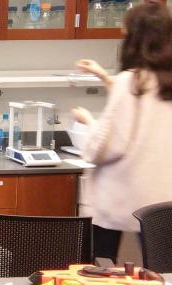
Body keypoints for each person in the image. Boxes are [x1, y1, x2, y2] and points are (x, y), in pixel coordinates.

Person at [71, 3, 172, 264]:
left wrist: (88, 123)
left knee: (102, 274)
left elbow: (103, 147)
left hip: (121, 203)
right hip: (163, 206)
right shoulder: (162, 81)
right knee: (161, 275)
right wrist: (105, 78)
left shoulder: (131, 81)